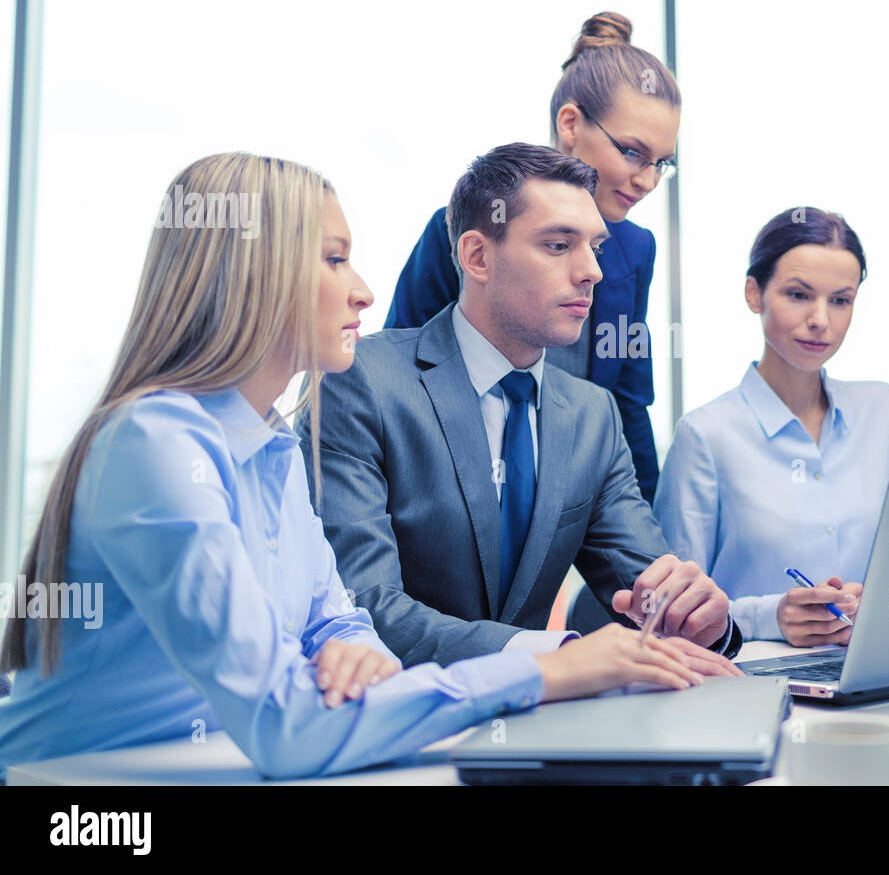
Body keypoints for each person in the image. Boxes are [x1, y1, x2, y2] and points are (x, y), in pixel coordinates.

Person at [0, 153, 730, 782]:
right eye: (332, 258)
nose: (365, 291)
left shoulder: (275, 447)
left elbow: (342, 623)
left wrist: (355, 659)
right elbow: (289, 726)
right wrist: (546, 668)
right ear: (252, 273)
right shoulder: (154, 444)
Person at [300, 143, 742, 669]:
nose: (591, 273)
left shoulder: (592, 415)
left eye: (595, 249)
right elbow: (363, 608)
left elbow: (649, 596)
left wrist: (705, 623)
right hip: (410, 725)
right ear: (477, 256)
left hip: (545, 729)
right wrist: (558, 656)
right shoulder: (359, 381)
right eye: (558, 245)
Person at [385, 12, 675, 503]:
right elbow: (400, 377)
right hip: (447, 497)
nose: (646, 180)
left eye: (662, 163)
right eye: (632, 153)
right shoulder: (460, 230)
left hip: (561, 503)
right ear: (570, 124)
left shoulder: (635, 250)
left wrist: (652, 549)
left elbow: (626, 406)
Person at [654, 208, 889, 646]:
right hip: (750, 677)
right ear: (754, 294)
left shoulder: (885, 409)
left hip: (881, 660)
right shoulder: (705, 435)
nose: (821, 320)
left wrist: (882, 601)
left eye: (840, 300)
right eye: (799, 295)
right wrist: (770, 616)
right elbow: (672, 613)